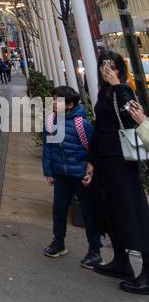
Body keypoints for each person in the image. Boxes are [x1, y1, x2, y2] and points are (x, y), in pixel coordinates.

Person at [88, 51, 149, 293]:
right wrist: (91, 160)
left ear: (119, 69)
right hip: (105, 161)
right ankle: (121, 261)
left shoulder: (123, 90)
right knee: (109, 210)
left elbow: (134, 118)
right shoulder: (104, 92)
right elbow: (99, 126)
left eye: (111, 66)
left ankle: (147, 270)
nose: (106, 69)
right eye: (103, 65)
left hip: (122, 161)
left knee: (131, 212)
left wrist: (118, 86)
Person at [41, 85, 102, 266]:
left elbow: (93, 151)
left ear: (70, 105)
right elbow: (48, 148)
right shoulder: (51, 121)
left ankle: (95, 250)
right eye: (52, 98)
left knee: (88, 213)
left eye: (57, 100)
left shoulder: (83, 125)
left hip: (80, 176)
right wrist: (49, 171)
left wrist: (90, 171)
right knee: (59, 209)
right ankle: (58, 242)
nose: (52, 102)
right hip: (61, 175)